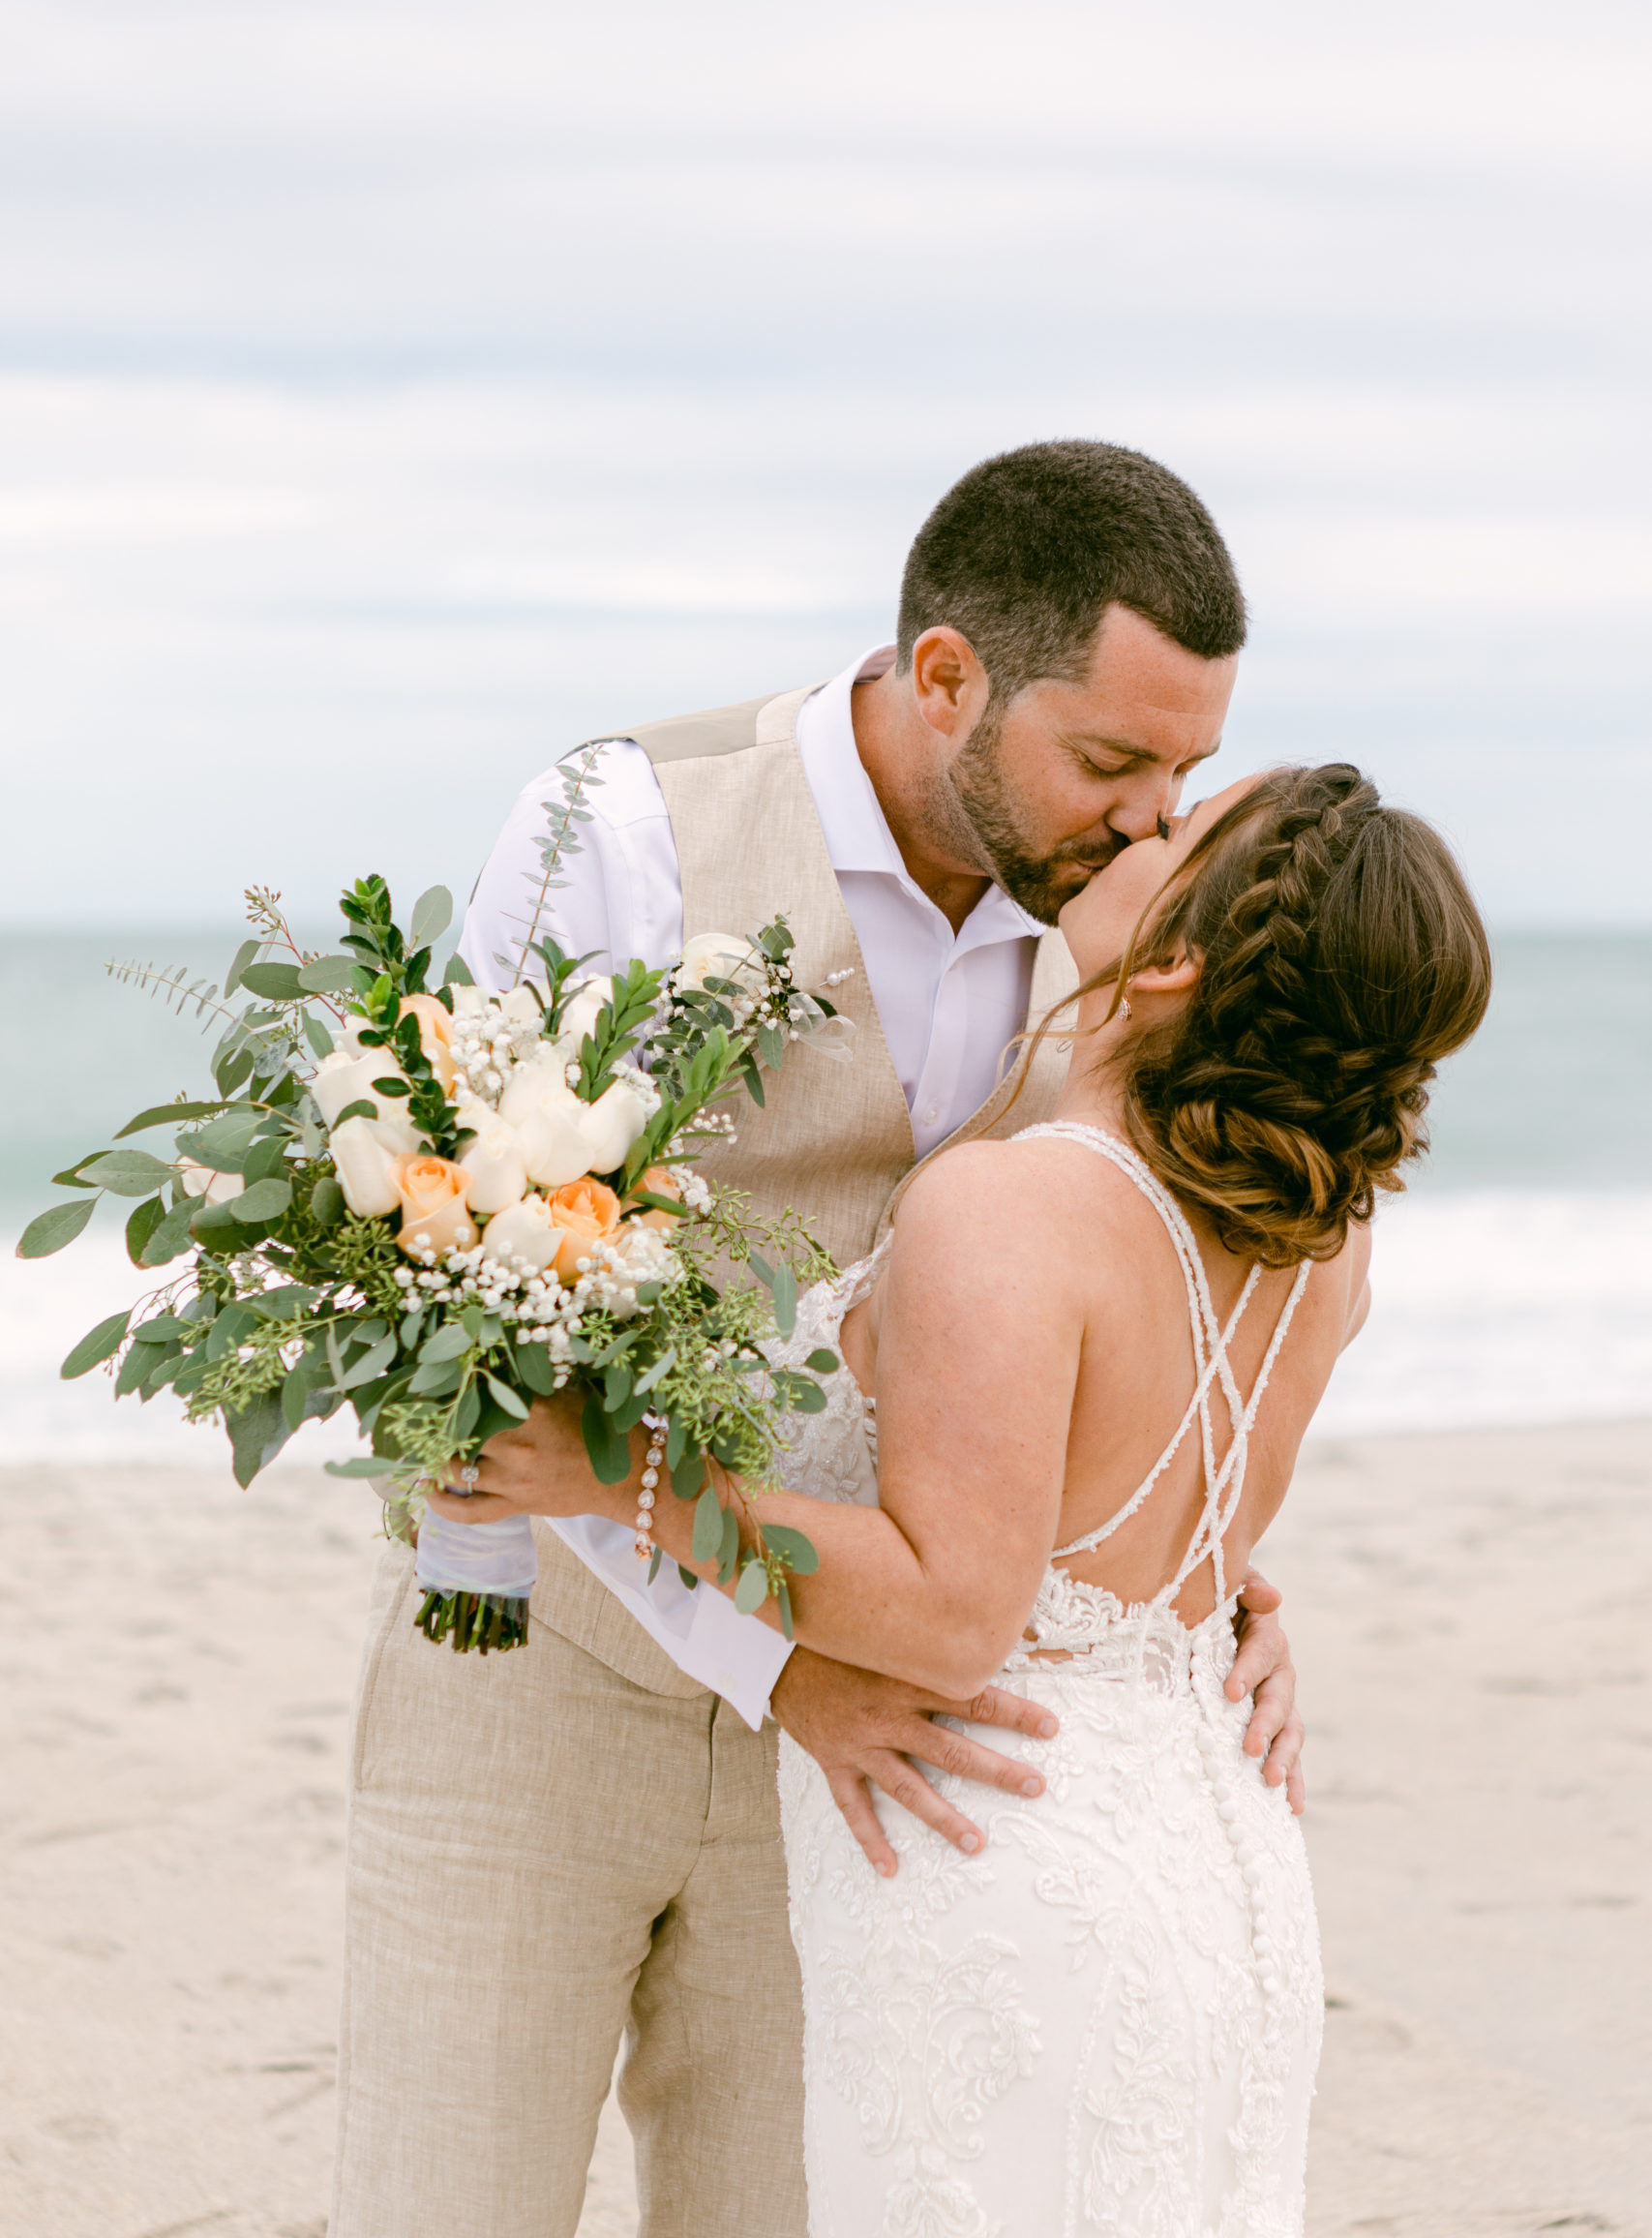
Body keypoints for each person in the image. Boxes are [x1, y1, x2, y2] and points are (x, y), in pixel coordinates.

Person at [330, 440, 1307, 2238]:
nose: (1152, 820)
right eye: (1112, 762)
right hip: (541, 1670)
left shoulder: (1123, 926)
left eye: (1186, 772)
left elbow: (1148, 1302)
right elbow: (469, 1317)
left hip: (884, 1746)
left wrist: (1206, 1591)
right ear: (945, 677)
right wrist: (780, 1671)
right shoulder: (626, 828)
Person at [448, 760, 1491, 2234]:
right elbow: (1161, 1531)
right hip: (1221, 1875)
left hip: (1003, 1861)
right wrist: (1237, 1606)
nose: (1142, 822)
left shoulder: (1008, 1205)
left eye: (1181, 829)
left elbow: (955, 1611)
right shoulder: (1329, 1248)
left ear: (1176, 959)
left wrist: (634, 1481)